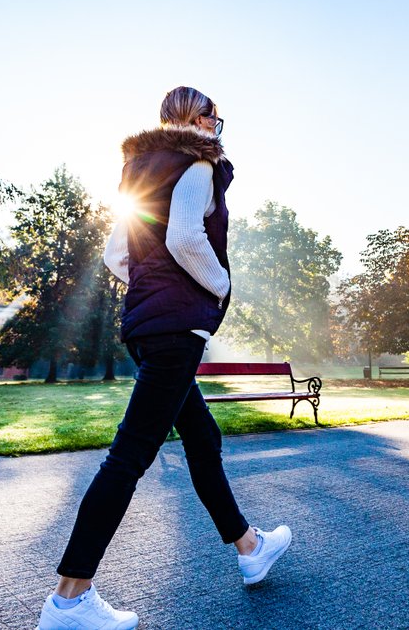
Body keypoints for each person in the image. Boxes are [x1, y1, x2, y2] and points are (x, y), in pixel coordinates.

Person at [37, 86, 292, 630]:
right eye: (213, 119)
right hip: (178, 329)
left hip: (148, 328)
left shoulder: (142, 171)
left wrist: (153, 290)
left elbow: (115, 254)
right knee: (128, 457)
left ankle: (250, 548)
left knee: (203, 438)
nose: (217, 130)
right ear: (192, 120)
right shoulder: (198, 162)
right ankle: (68, 601)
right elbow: (184, 237)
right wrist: (217, 288)